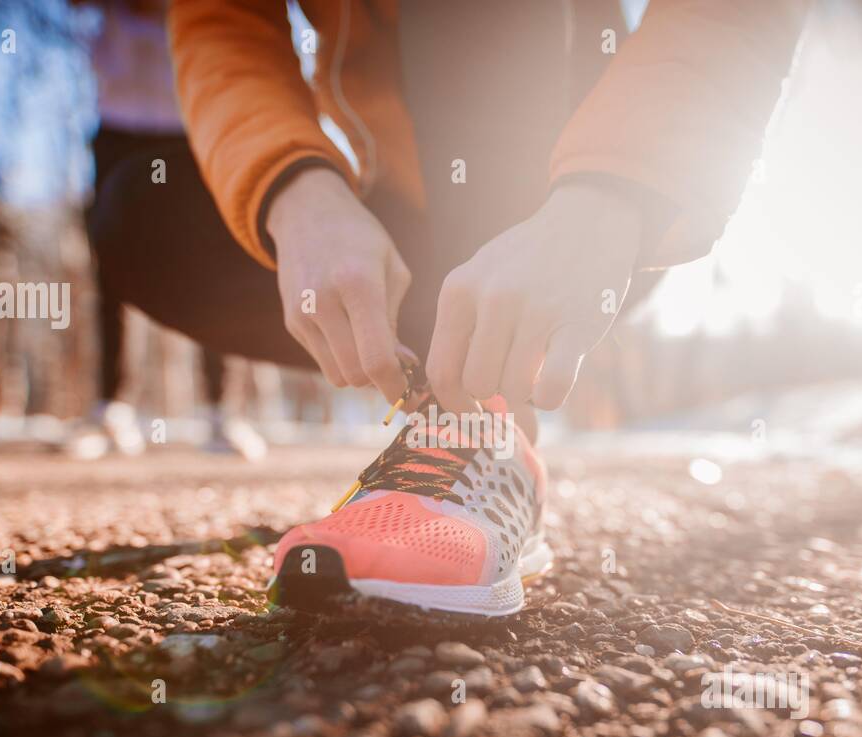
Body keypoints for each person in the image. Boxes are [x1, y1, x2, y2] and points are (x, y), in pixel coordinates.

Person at [92, 0, 807, 614]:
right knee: (141, 213)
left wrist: (612, 193)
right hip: (400, 224)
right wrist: (292, 187)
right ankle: (444, 413)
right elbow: (220, 19)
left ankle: (488, 429)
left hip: (582, 207)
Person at [74, 0, 267, 461]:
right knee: (110, 271)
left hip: (191, 130)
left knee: (215, 266)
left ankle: (222, 412)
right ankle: (112, 409)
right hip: (117, 130)